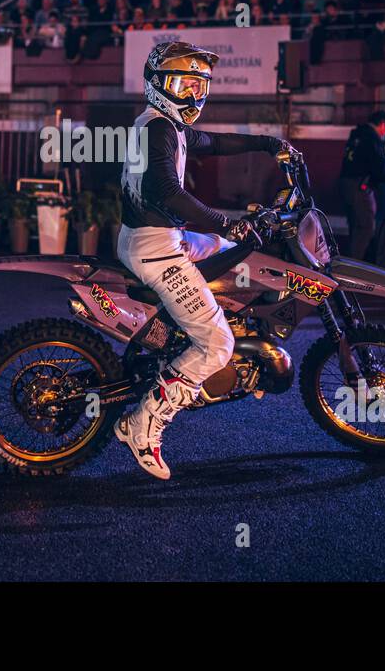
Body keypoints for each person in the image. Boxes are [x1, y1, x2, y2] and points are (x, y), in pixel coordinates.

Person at [115, 41, 297, 480]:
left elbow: (214, 143)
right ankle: (143, 424)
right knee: (218, 344)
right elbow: (167, 193)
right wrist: (225, 223)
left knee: (238, 258)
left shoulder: (164, 124)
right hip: (156, 248)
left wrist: (268, 143)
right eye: (183, 85)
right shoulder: (157, 128)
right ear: (158, 85)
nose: (193, 96)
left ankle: (188, 340)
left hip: (159, 236)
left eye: (199, 86)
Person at [337, 110, 385, 260]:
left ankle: (351, 262)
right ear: (383, 124)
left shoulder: (357, 135)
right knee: (365, 227)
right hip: (360, 187)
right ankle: (355, 266)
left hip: (346, 185)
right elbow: (378, 169)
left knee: (355, 226)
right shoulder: (371, 138)